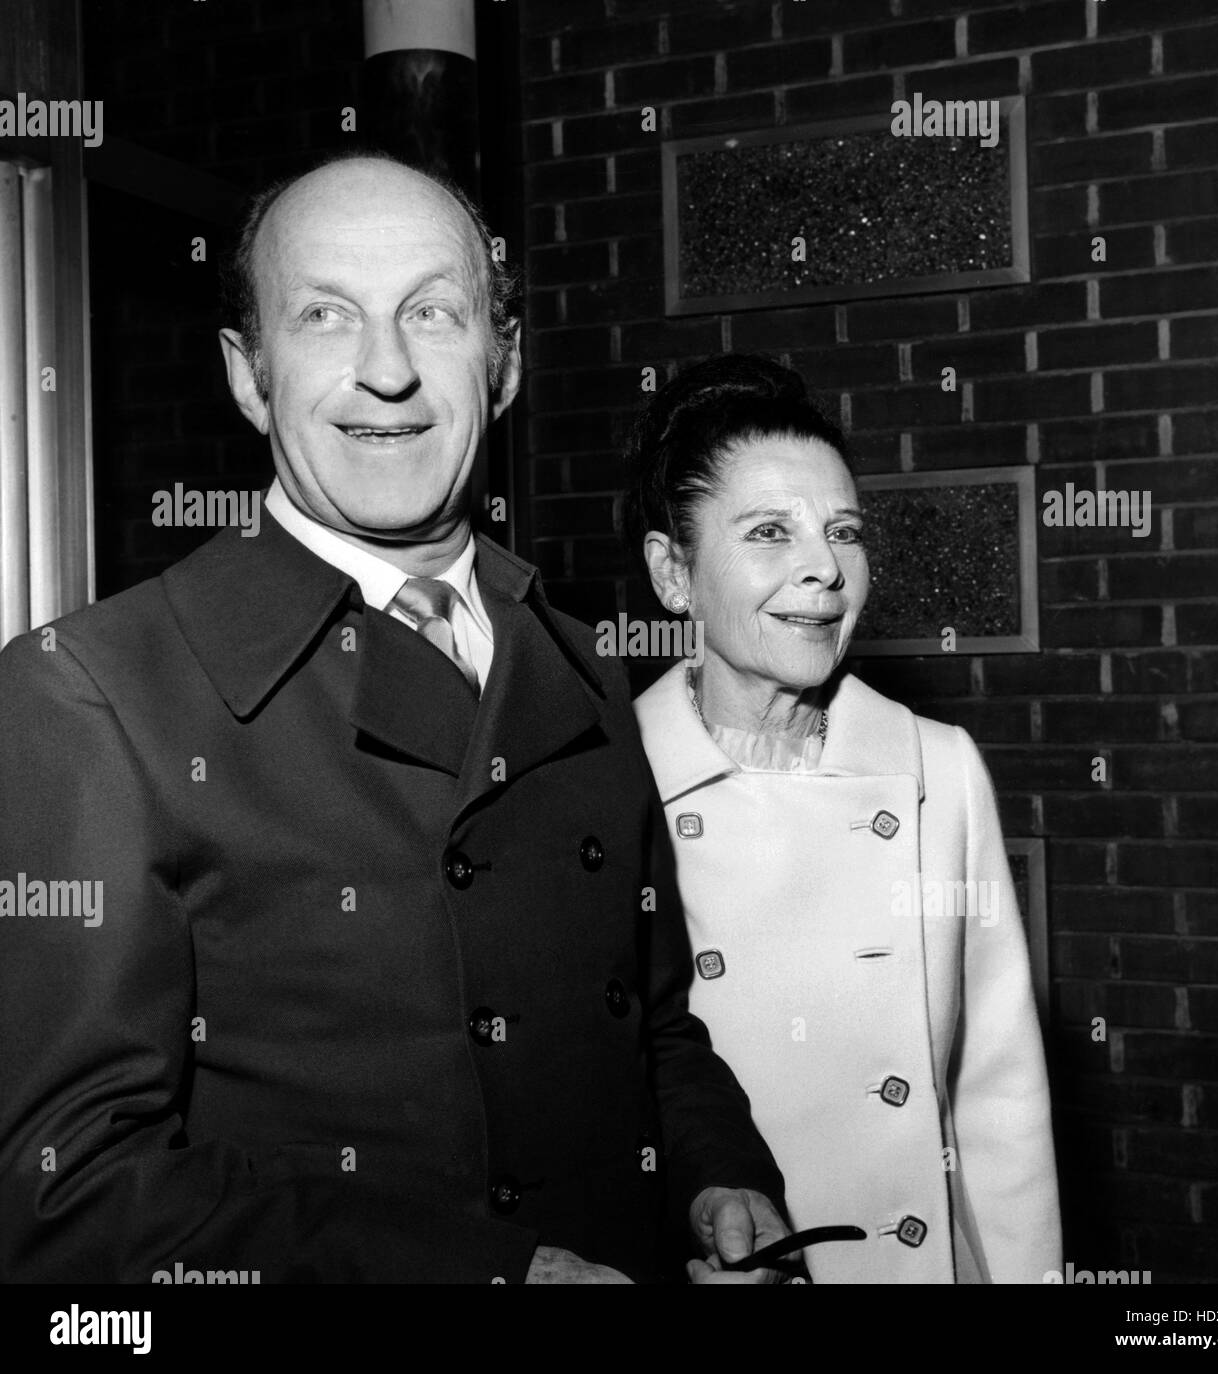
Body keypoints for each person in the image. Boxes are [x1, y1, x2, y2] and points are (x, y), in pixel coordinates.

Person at [0, 154, 789, 1285]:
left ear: (503, 362)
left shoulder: (577, 660)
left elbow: (654, 1027)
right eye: (325, 315)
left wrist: (719, 1179)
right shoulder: (89, 693)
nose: (387, 372)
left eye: (433, 312)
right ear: (247, 374)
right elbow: (66, 1193)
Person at [624, 354, 1062, 1283]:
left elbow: (999, 1098)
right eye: (770, 532)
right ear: (673, 574)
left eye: (844, 531)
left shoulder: (934, 770)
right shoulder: (605, 789)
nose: (825, 568)